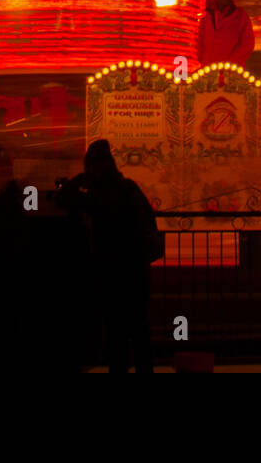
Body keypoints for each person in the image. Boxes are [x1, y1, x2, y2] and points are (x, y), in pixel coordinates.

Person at [55, 139, 157, 373]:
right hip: (137, 271)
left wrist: (79, 180)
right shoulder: (129, 188)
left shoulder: (99, 195)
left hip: (112, 273)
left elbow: (64, 199)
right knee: (140, 331)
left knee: (116, 333)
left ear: (93, 167)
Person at [196, 0, 255, 67]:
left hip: (229, 71)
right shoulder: (206, 15)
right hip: (207, 70)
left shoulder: (240, 16)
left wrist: (232, 63)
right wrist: (201, 60)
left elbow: (247, 43)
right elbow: (198, 40)